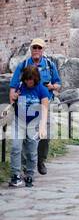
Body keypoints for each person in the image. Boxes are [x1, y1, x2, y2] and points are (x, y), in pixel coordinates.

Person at [9, 40, 61, 175]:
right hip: (25, 106)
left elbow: (58, 84)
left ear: (43, 49)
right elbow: (13, 87)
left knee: (45, 134)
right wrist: (13, 99)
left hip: (44, 104)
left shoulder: (49, 65)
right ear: (31, 49)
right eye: (34, 47)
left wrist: (52, 87)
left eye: (39, 47)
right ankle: (27, 166)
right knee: (25, 137)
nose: (36, 49)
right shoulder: (23, 65)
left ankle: (40, 160)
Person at [8, 64, 50, 187]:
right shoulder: (21, 86)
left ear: (35, 79)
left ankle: (29, 174)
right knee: (16, 148)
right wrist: (14, 97)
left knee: (31, 152)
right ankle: (15, 175)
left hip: (34, 123)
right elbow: (13, 98)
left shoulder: (41, 89)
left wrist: (42, 127)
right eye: (26, 80)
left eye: (30, 80)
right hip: (19, 121)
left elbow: (45, 109)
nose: (28, 83)